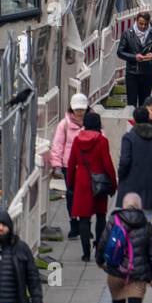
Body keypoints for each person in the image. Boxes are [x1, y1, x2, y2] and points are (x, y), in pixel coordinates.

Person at [97, 193, 152, 303]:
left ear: (124, 205)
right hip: (138, 273)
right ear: (140, 206)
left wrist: (100, 261)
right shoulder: (146, 225)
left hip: (116, 271)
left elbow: (103, 242)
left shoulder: (114, 220)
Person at [66, 111, 117, 262]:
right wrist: (113, 183)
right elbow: (107, 164)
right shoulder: (102, 141)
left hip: (82, 182)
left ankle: (85, 252)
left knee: (84, 218)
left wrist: (70, 184)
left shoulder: (77, 140)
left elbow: (71, 164)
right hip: (98, 182)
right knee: (101, 216)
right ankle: (99, 250)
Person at [50, 92, 89, 237]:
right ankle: (74, 223)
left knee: (86, 196)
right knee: (71, 195)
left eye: (82, 109)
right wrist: (57, 164)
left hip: (87, 166)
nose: (79, 112)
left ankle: (85, 224)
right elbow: (57, 145)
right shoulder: (64, 124)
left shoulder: (92, 121)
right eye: (77, 109)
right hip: (69, 166)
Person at [117, 11, 152, 108]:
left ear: (148, 23)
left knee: (145, 101)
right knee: (131, 102)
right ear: (136, 21)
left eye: (145, 24)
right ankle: (132, 121)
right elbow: (120, 52)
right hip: (132, 72)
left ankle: (143, 121)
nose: (143, 26)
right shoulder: (127, 34)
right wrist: (134, 57)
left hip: (147, 72)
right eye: (140, 24)